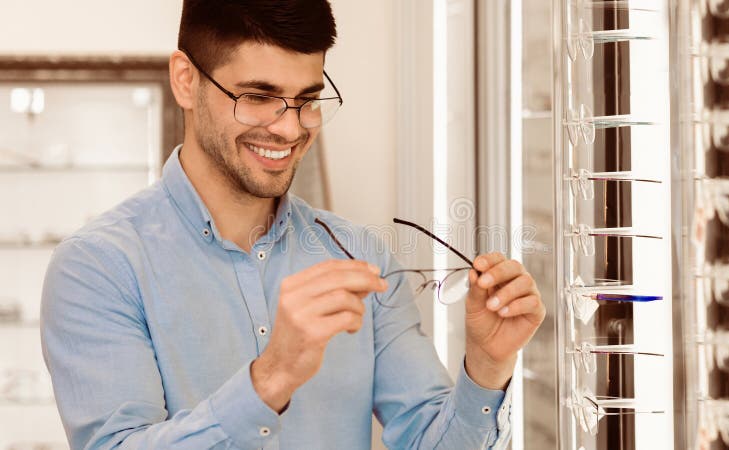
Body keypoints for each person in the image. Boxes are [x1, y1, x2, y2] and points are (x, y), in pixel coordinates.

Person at [40, 1, 545, 449]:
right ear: (186, 80)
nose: (289, 127)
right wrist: (272, 377)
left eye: (306, 99)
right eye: (258, 96)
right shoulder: (98, 267)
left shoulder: (360, 255)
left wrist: (487, 364)